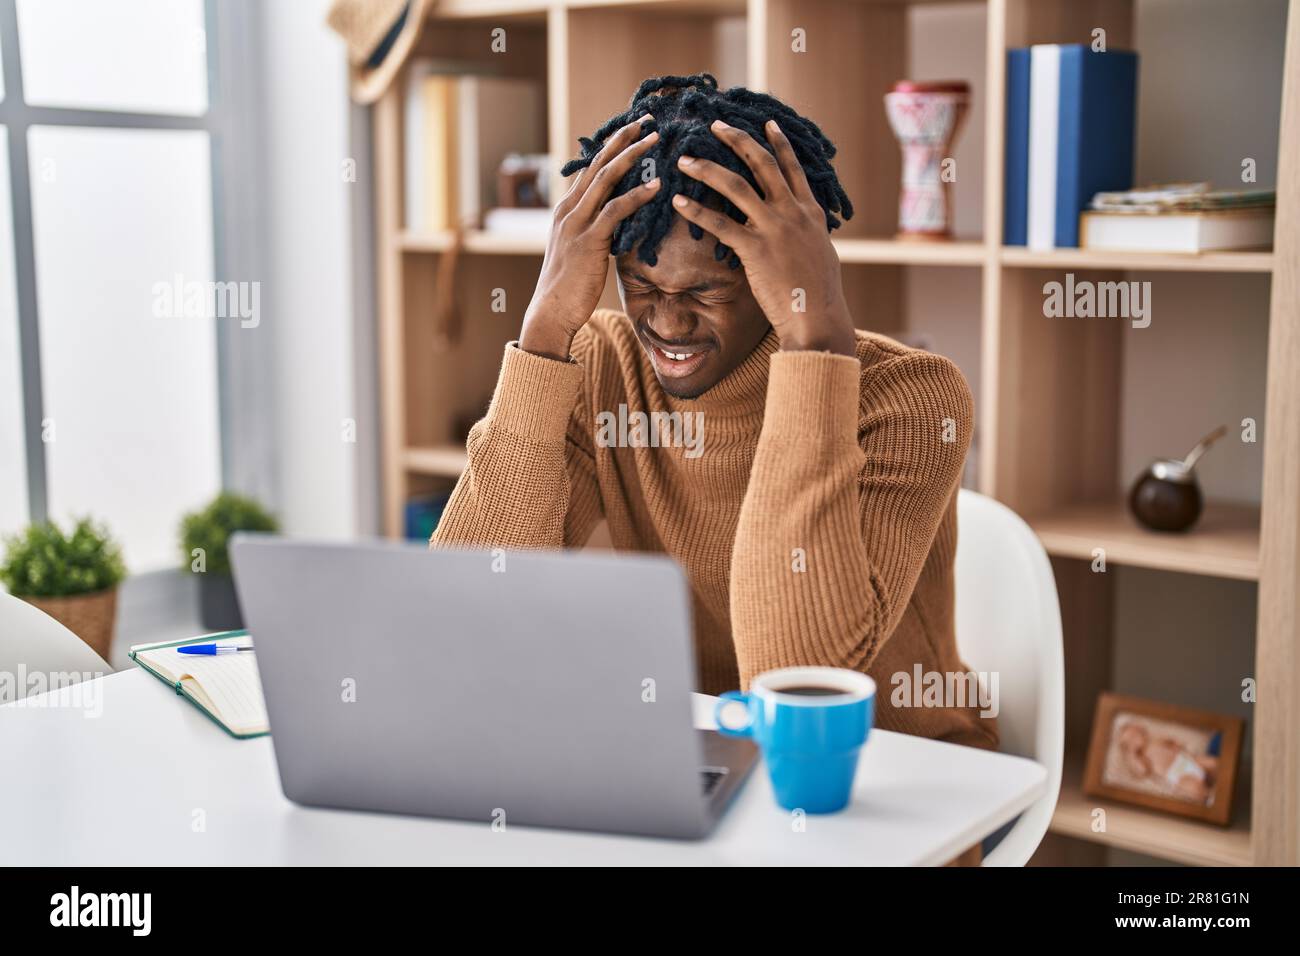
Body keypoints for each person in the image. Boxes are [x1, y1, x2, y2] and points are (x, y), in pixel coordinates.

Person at [432, 73, 996, 751]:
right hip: (708, 760)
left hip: (898, 779)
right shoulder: (599, 370)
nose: (667, 322)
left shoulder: (910, 397)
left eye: (706, 290)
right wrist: (545, 333)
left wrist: (815, 345)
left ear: (774, 274)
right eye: (640, 283)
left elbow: (796, 685)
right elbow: (466, 613)